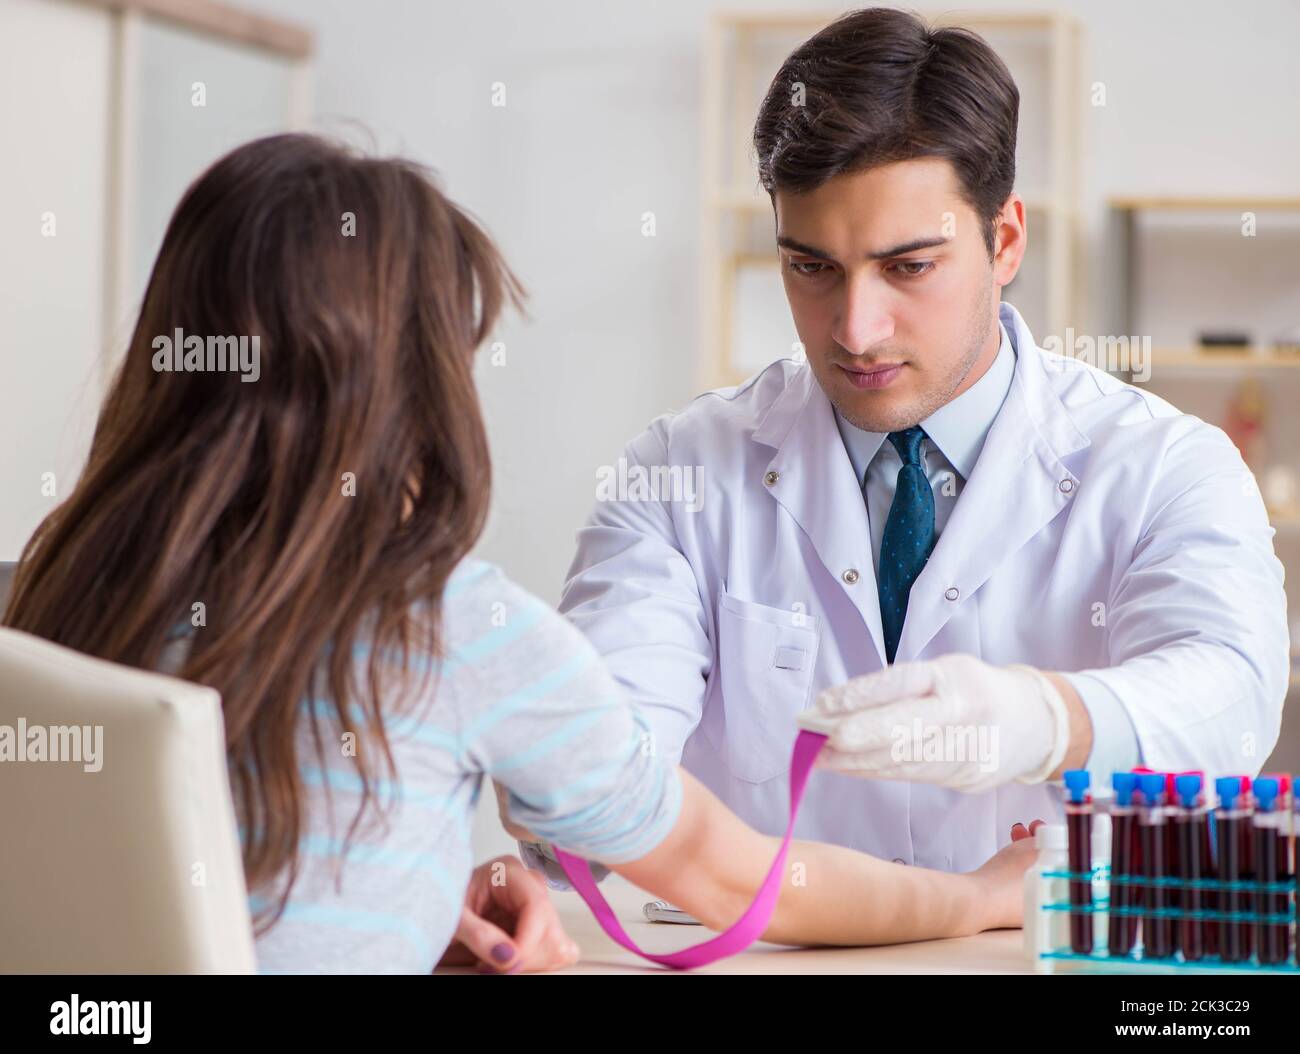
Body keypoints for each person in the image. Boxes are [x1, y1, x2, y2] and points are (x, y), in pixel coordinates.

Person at [3, 132, 1039, 974]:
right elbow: (729, 876)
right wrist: (982, 896)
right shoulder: (448, 624)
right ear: (409, 384)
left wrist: (393, 901)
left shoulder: (56, 585)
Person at [546, 7, 1288, 880]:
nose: (855, 330)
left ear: (1005, 240)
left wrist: (1045, 719)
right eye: (811, 267)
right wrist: (554, 767)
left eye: (909, 267)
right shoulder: (679, 473)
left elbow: (1232, 702)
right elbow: (595, 787)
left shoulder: (1165, 467)